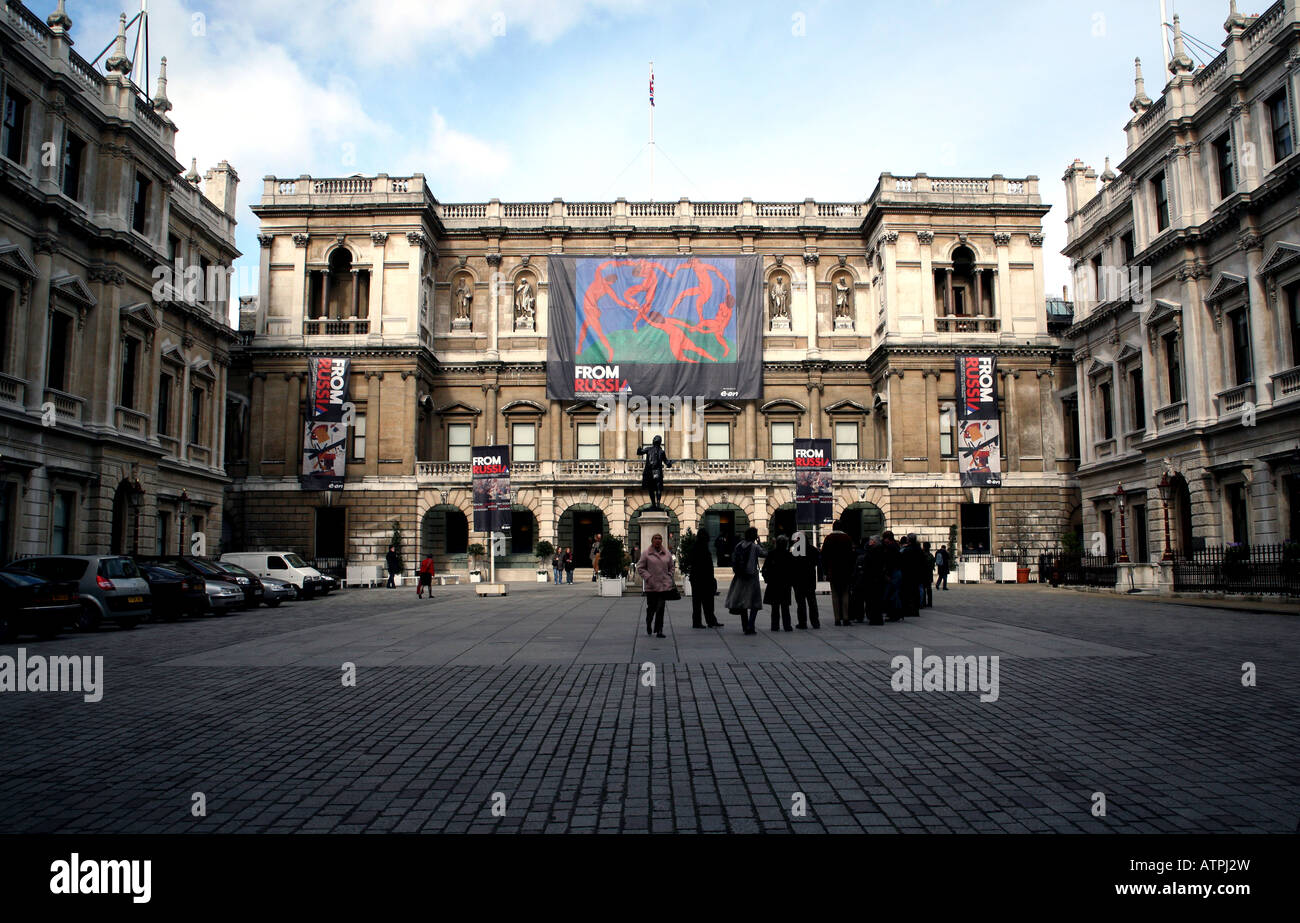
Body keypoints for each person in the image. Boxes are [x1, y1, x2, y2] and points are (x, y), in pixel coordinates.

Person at [724, 527, 766, 635]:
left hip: (739, 577)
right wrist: (760, 543)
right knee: (755, 603)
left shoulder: (739, 545)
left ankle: (745, 626)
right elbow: (764, 554)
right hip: (751, 577)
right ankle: (750, 626)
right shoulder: (755, 547)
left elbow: (734, 559)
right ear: (754, 536)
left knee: (743, 603)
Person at [636, 532, 675, 638]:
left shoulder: (666, 553)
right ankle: (649, 622)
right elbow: (640, 568)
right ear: (652, 541)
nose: (658, 540)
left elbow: (672, 566)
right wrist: (648, 578)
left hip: (663, 586)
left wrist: (669, 575)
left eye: (659, 538)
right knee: (652, 608)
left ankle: (659, 630)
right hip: (651, 586)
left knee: (661, 608)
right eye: (655, 538)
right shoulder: (646, 553)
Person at [688, 527, 723, 629]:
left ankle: (699, 622)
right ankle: (709, 621)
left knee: (698, 601)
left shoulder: (696, 547)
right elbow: (705, 565)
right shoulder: (701, 548)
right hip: (703, 578)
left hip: (697, 578)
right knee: (707, 601)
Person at [820, 528, 856, 626]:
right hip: (845, 570)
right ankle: (846, 617)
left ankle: (837, 619)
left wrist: (825, 571)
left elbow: (823, 555)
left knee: (835, 595)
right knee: (845, 594)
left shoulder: (828, 538)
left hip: (833, 570)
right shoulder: (847, 538)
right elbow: (852, 555)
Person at [763, 535, 794, 631]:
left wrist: (766, 578)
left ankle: (775, 625)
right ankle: (787, 625)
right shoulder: (789, 555)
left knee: (775, 607)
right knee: (785, 607)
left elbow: (765, 568)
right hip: (785, 583)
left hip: (774, 583)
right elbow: (793, 570)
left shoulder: (771, 554)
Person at [636, 435, 673, 510]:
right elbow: (666, 462)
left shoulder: (649, 449)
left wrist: (639, 449)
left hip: (650, 471)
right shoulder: (661, 451)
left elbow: (639, 453)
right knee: (657, 488)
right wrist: (669, 464)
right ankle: (657, 504)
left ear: (653, 441)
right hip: (656, 472)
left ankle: (654, 504)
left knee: (651, 489)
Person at [792, 537, 820, 629]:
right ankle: (815, 622)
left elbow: (793, 565)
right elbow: (817, 562)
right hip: (810, 578)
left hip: (799, 579)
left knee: (801, 602)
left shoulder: (796, 550)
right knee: (812, 601)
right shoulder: (813, 550)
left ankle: (802, 623)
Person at [880, 531, 904, 621]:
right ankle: (898, 613)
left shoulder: (890, 547)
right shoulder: (896, 546)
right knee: (895, 593)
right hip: (897, 571)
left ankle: (894, 614)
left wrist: (888, 574)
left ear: (887, 539)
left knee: (892, 593)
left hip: (893, 572)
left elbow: (890, 562)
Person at [900, 534, 922, 619]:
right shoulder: (919, 549)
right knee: (915, 592)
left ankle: (908, 610)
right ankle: (915, 610)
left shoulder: (907, 550)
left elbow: (902, 562)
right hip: (916, 573)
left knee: (908, 592)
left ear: (908, 540)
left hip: (908, 574)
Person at [921, 541, 935, 608]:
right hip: (929, 574)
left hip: (923, 574)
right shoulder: (931, 555)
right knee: (929, 589)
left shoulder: (922, 555)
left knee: (923, 588)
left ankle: (923, 602)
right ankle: (930, 603)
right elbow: (933, 565)